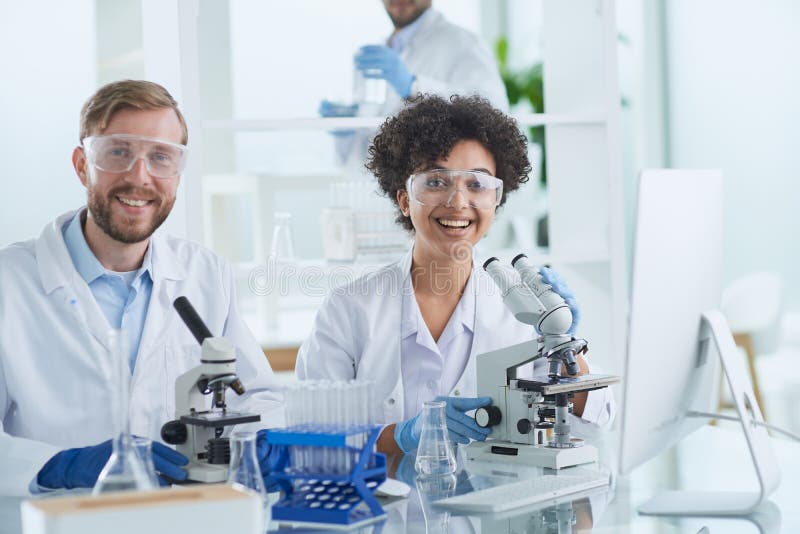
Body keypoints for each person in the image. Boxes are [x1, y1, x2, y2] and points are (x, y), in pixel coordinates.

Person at [0, 80, 284, 496]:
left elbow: (255, 396)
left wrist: (263, 440)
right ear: (81, 165)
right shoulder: (10, 283)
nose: (139, 177)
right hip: (60, 518)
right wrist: (59, 466)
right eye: (118, 152)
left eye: (160, 157)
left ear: (178, 173)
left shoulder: (205, 274)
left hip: (183, 515)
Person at [296, 94, 614, 455]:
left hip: (499, 490)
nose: (458, 202)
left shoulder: (523, 310)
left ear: (496, 199)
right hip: (384, 493)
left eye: (477, 184)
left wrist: (563, 343)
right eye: (436, 182)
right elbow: (311, 435)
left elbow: (597, 418)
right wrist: (400, 437)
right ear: (404, 199)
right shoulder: (348, 310)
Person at [319, 0, 508, 170]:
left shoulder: (463, 42)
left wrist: (414, 86)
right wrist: (346, 131)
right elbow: (367, 156)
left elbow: (494, 112)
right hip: (382, 189)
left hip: (435, 184)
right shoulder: (378, 55)